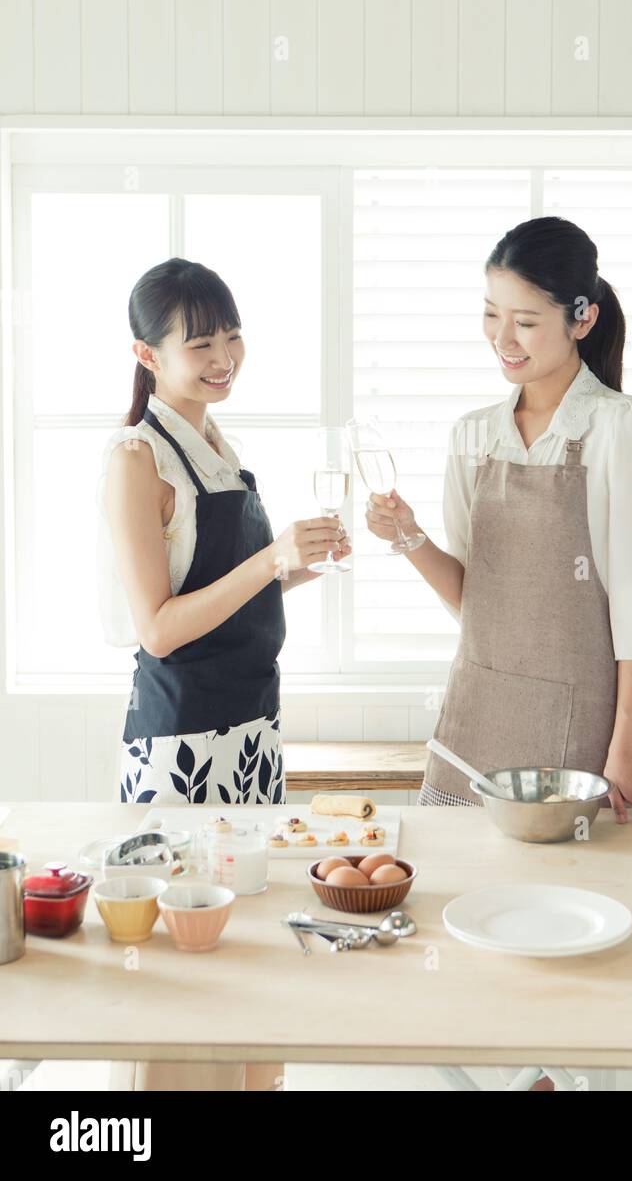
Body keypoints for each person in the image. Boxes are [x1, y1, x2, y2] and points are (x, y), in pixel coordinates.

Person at [97, 257, 350, 1090]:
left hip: (250, 734)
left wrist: (307, 563)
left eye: (233, 336)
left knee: (250, 938)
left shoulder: (216, 443)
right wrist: (272, 559)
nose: (223, 357)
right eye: (200, 342)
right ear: (146, 355)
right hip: (180, 746)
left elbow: (235, 594)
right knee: (183, 961)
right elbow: (161, 628)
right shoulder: (138, 458)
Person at [366, 216, 632, 820]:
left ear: (581, 318)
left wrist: (627, 748)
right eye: (492, 314)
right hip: (475, 717)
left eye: (527, 322)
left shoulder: (620, 427)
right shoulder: (473, 435)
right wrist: (408, 535)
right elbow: (474, 598)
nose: (503, 337)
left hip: (577, 727)